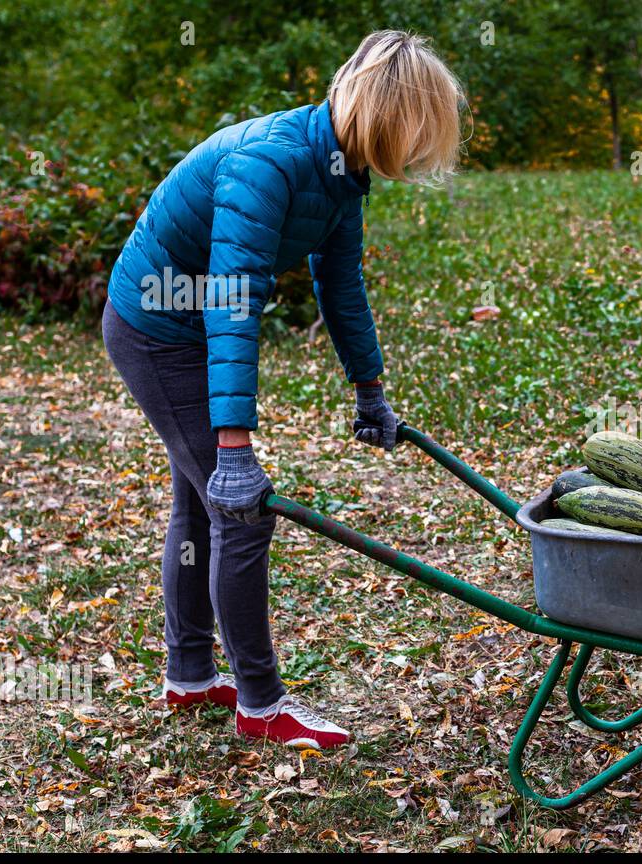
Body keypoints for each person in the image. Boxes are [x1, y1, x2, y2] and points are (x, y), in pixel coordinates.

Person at [102, 31, 463, 748]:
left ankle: (190, 677)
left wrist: (370, 389)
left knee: (201, 503)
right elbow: (232, 296)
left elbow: (342, 286)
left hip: (191, 321)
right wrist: (236, 445)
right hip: (155, 326)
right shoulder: (270, 163)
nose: (421, 155)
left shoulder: (340, 170)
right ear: (390, 118)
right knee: (240, 510)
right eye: (421, 133)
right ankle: (262, 706)